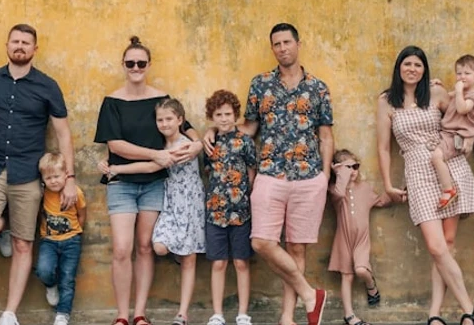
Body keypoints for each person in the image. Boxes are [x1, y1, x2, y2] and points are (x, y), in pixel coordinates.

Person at [225, 23, 332, 325]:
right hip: (270, 174)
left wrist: (324, 177)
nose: (282, 48)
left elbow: (325, 135)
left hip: (309, 177)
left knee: (297, 247)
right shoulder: (260, 84)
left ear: (299, 43)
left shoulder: (318, 87)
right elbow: (249, 128)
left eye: (287, 42)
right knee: (261, 242)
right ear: (272, 48)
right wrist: (218, 132)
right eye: (277, 44)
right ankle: (311, 294)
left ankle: (288, 318)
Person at [0, 24, 75, 325]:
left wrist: (69, 178)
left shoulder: (47, 86)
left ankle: (9, 313)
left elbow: (64, 134)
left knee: (23, 244)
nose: (20, 46)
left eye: (26, 43)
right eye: (15, 41)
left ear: (34, 49)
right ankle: (3, 224)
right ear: (6, 45)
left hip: (28, 172)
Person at [94, 36, 202, 325]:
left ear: (149, 65)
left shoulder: (160, 98)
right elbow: (116, 145)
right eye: (130, 63)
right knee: (121, 249)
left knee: (144, 247)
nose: (136, 67)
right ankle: (121, 316)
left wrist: (198, 144)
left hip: (154, 184)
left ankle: (139, 313)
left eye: (141, 63)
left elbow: (187, 126)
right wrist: (156, 154)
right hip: (121, 184)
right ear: (123, 65)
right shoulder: (112, 102)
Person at [376, 45, 474, 325]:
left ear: (424, 69)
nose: (412, 69)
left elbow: (463, 116)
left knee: (447, 244)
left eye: (418, 65)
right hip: (417, 173)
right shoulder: (386, 101)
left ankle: (435, 314)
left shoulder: (435, 93)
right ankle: (470, 308)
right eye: (407, 64)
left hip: (448, 165)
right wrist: (388, 183)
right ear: (399, 67)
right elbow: (384, 148)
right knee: (436, 247)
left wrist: (468, 140)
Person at [202, 90, 257, 325]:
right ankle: (217, 314)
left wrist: (246, 195)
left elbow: (252, 171)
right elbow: (207, 171)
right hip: (215, 213)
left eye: (228, 114)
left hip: (241, 212)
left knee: (241, 262)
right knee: (218, 263)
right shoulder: (209, 143)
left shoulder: (245, 141)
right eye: (218, 114)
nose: (224, 119)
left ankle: (243, 313)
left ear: (236, 115)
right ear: (212, 117)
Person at [327, 148, 391, 325]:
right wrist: (340, 173)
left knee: (361, 270)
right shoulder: (335, 190)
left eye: (355, 166)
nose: (353, 171)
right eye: (348, 167)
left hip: (361, 240)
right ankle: (349, 316)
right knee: (346, 276)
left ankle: (372, 287)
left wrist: (398, 194)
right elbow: (339, 193)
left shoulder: (365, 188)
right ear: (338, 170)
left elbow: (382, 201)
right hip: (343, 239)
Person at [35, 152, 87, 325]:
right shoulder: (42, 194)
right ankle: (50, 285)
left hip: (72, 241)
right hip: (48, 241)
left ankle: (63, 314)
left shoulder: (75, 192)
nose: (53, 181)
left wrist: (77, 231)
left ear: (66, 174)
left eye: (57, 176)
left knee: (67, 278)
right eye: (48, 178)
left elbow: (82, 213)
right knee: (44, 270)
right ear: (42, 179)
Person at [432, 55, 474, 210]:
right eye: (459, 73)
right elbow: (446, 98)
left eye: (467, 73)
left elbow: (462, 108)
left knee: (436, 157)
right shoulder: (459, 92)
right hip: (447, 134)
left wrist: (458, 90)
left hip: (457, 136)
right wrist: (439, 87)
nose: (462, 77)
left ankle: (448, 189)